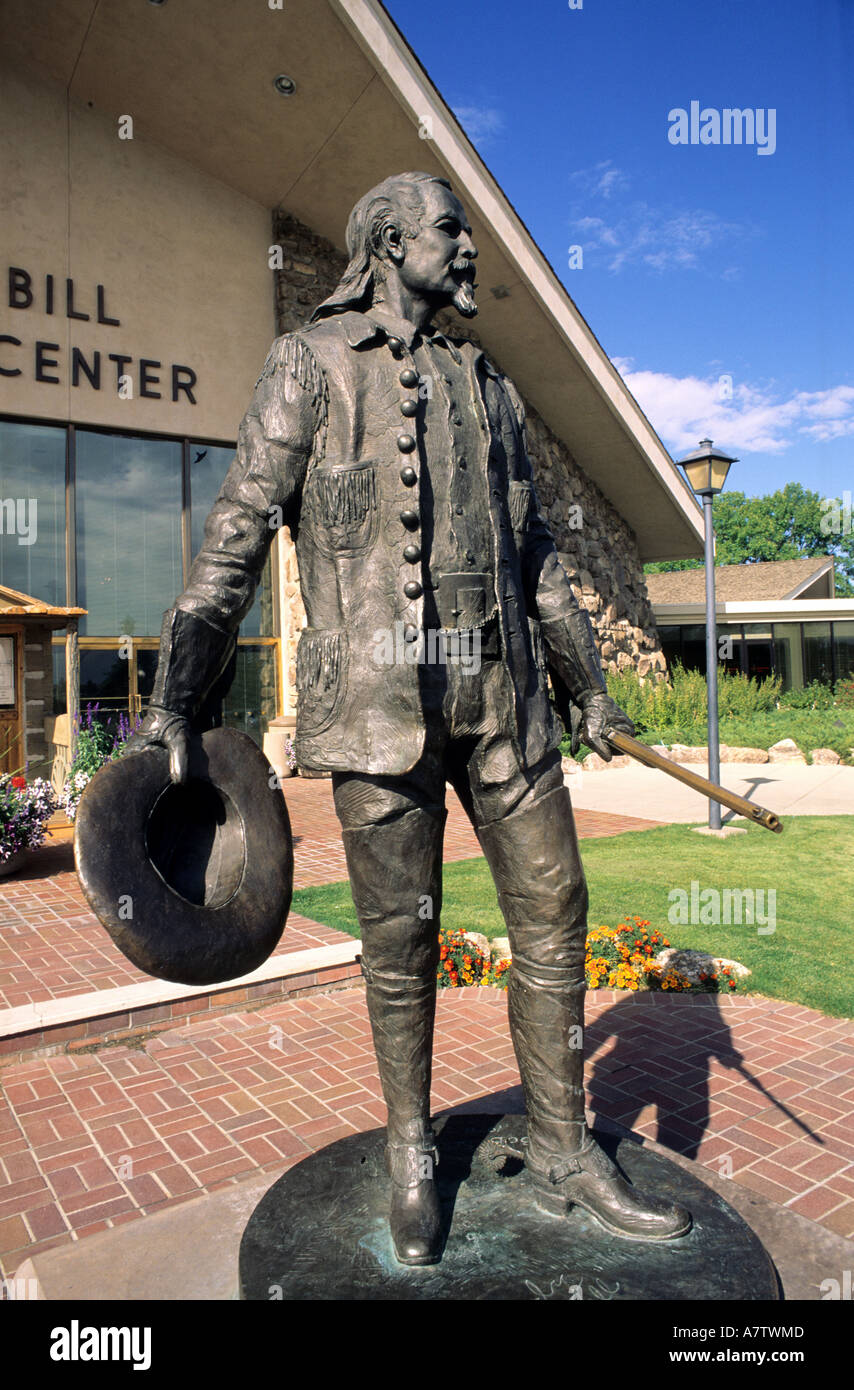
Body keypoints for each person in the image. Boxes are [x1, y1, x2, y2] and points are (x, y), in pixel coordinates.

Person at [128, 172, 690, 1264]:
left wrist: (586, 685)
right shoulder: (309, 363)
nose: (469, 248)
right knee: (400, 943)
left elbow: (536, 558)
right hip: (378, 707)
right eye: (451, 229)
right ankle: (410, 1153)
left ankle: (563, 1143)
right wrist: (173, 696)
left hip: (500, 703)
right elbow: (241, 526)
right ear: (389, 242)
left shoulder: (490, 383)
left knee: (554, 907)